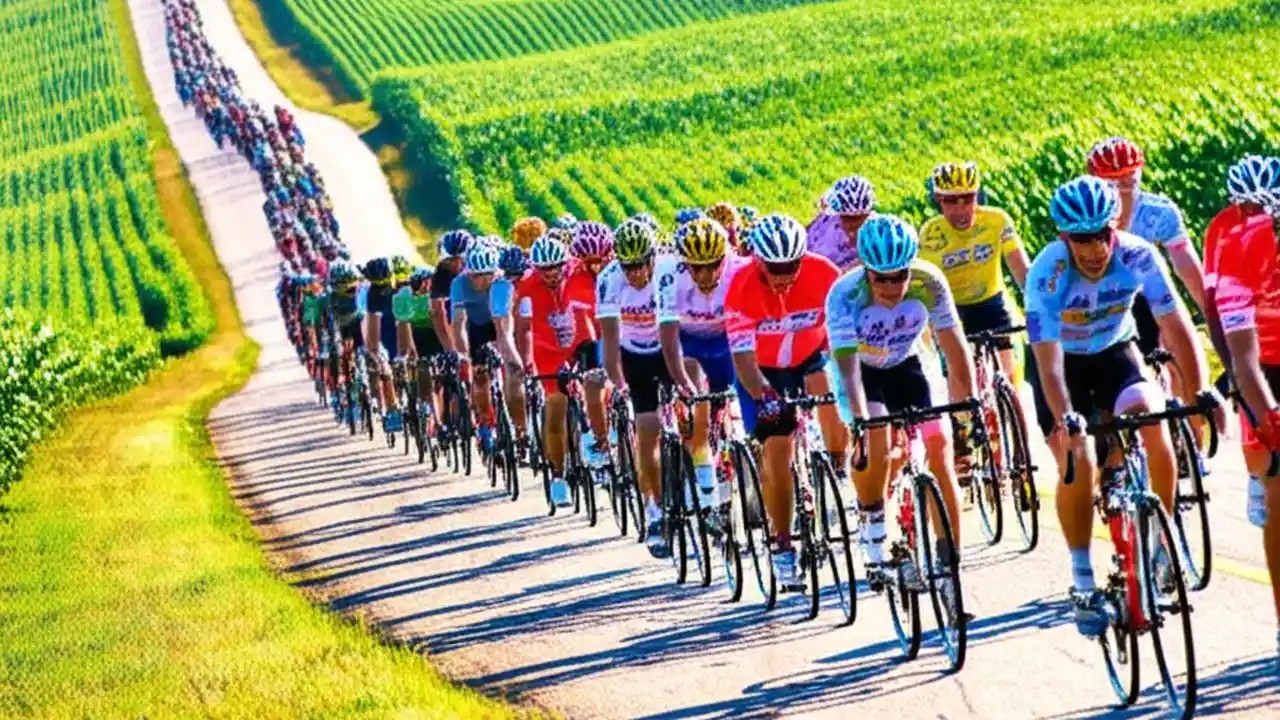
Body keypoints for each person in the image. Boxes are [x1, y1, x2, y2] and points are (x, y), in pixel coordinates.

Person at [1024, 176, 1210, 638]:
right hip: (1062, 365)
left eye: (1102, 235)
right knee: (1078, 459)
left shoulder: (1136, 253)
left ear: (1115, 229)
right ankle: (1083, 576)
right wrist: (1066, 415)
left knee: (1153, 416)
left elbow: (1176, 322)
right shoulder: (1046, 273)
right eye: (1080, 239)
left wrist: (1199, 393)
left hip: (1113, 352)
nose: (1094, 249)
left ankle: (1158, 543)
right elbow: (1048, 367)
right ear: (1064, 237)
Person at [826, 215, 975, 613]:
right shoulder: (845, 295)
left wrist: (968, 408)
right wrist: (858, 419)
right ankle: (873, 521)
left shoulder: (929, 282)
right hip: (863, 370)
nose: (892, 287)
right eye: (882, 279)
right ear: (866, 272)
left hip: (908, 363)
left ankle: (949, 570)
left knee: (940, 449)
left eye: (900, 276)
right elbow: (847, 370)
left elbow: (955, 349)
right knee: (877, 440)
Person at [724, 214, 846, 588]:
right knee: (778, 450)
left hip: (811, 359)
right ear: (758, 260)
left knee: (830, 390)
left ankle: (840, 474)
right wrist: (765, 393)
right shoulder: (740, 287)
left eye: (791, 265)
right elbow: (743, 360)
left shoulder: (824, 274)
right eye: (774, 268)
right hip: (763, 372)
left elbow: (844, 334)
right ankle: (781, 544)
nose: (784, 275)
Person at [1087, 137, 1215, 450]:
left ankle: (1194, 441)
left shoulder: (1159, 213)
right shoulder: (1087, 215)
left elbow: (1188, 269)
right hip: (1108, 300)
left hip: (1149, 297)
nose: (1122, 190)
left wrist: (1212, 316)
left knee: (1178, 351)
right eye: (1112, 183)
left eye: (1129, 180)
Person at [1208, 179, 1280, 668]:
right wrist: (1269, 414)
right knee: (1279, 490)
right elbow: (1243, 354)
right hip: (1267, 364)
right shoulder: (1239, 244)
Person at [917, 161, 1033, 462]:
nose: (960, 208)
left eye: (967, 198)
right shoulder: (931, 234)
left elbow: (1022, 271)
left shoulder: (997, 221)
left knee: (1009, 375)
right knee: (960, 368)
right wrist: (931, 331)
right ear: (938, 200)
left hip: (993, 303)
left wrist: (1037, 306)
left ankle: (1019, 447)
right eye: (950, 200)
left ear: (977, 197)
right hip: (954, 311)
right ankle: (963, 432)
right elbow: (926, 289)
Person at [1204, 155, 1280, 530]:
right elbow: (1213, 302)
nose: (1255, 212)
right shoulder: (1222, 230)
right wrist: (1230, 365)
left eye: (1264, 205)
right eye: (1248, 205)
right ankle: (1256, 478)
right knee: (1257, 422)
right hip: (1249, 340)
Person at [598, 217, 680, 557]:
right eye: (627, 266)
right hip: (634, 355)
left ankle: (703, 488)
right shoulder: (608, 280)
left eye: (640, 264)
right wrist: (619, 384)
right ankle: (655, 506)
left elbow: (676, 328)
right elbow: (610, 339)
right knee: (647, 430)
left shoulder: (668, 270)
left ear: (652, 256)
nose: (635, 273)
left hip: (668, 349)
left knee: (690, 417)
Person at [657, 217, 751, 512]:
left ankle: (744, 476)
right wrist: (679, 378)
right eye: (697, 267)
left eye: (713, 265)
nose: (706, 274)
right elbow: (668, 334)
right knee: (696, 391)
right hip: (688, 343)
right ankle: (701, 466)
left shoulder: (739, 271)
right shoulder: (669, 276)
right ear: (685, 263)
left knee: (737, 400)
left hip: (726, 341)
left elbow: (751, 332)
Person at [502, 235, 601, 507]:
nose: (551, 274)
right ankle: (558, 477)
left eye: (557, 267)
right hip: (547, 352)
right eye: (544, 269)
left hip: (578, 343)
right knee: (556, 410)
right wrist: (527, 362)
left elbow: (590, 315)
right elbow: (524, 328)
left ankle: (596, 442)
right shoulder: (527, 287)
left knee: (594, 388)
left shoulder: (577, 276)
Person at [449, 244, 509, 456]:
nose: (481, 281)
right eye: (475, 276)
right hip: (474, 329)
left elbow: (505, 323)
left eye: (487, 275)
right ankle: (485, 422)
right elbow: (458, 323)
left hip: (497, 324)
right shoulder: (459, 284)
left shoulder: (501, 283)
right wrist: (464, 356)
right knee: (480, 376)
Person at [569, 221, 616, 465]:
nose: (596, 266)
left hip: (620, 330)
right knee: (593, 383)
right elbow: (583, 321)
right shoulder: (575, 279)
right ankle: (601, 440)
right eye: (589, 262)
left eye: (601, 259)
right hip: (591, 334)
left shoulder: (620, 271)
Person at [392, 265, 441, 435]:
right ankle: (421, 408)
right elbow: (403, 326)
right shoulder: (403, 297)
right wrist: (406, 353)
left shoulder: (438, 294)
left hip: (435, 333)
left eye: (428, 286)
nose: (425, 289)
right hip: (416, 334)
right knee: (420, 370)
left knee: (441, 374)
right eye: (421, 287)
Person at [360, 256, 402, 432]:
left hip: (396, 328)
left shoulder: (399, 289)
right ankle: (392, 409)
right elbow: (371, 330)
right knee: (385, 370)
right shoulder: (370, 296)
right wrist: (375, 353)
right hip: (384, 333)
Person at [809, 175, 876, 272]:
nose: (849, 224)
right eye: (845, 217)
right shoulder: (828, 218)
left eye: (856, 219)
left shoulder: (875, 239)